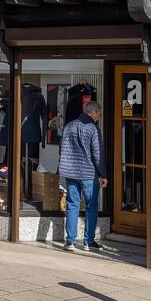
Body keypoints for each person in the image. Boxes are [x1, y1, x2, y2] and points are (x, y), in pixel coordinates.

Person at [57, 100, 106, 252]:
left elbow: (61, 149)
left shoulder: (69, 125)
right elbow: (97, 154)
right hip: (88, 173)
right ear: (93, 113)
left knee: (72, 205)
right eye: (98, 114)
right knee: (91, 206)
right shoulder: (92, 128)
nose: (98, 117)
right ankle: (88, 241)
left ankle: (70, 241)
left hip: (71, 172)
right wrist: (103, 174)